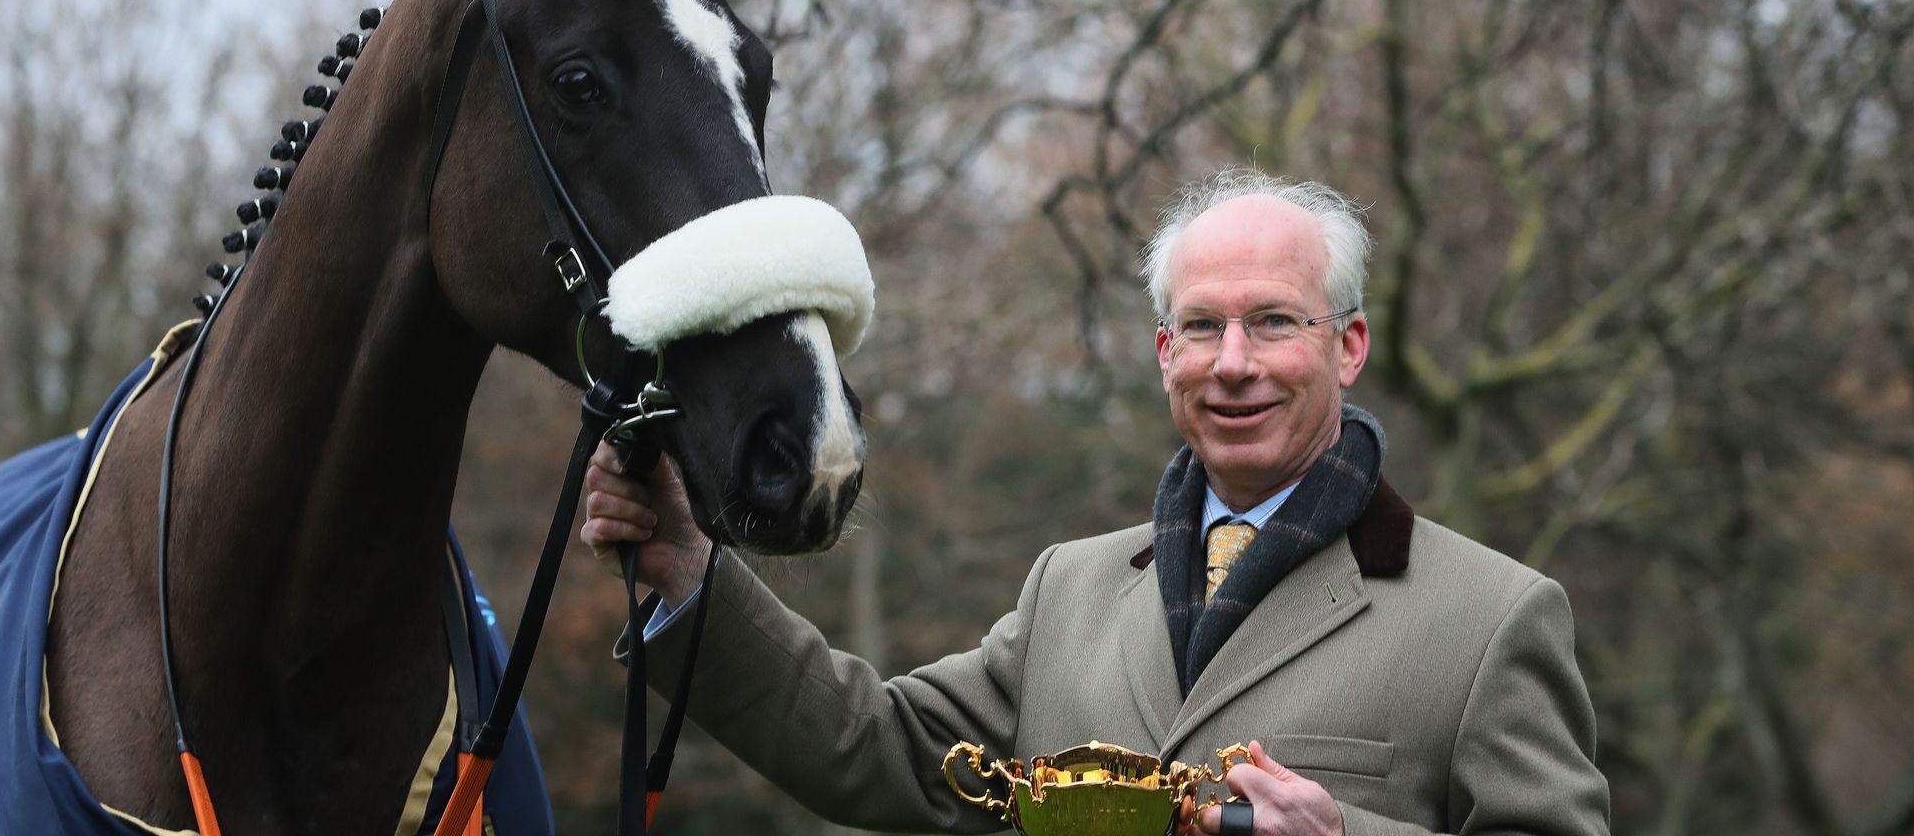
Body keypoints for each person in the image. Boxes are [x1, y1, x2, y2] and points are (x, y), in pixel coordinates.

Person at [580, 167, 1610, 836]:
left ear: (1346, 347)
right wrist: (688, 573)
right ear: (1164, 355)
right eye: (1201, 327)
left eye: (1274, 323)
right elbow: (880, 751)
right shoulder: (1067, 589)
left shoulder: (1491, 618)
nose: (1234, 364)